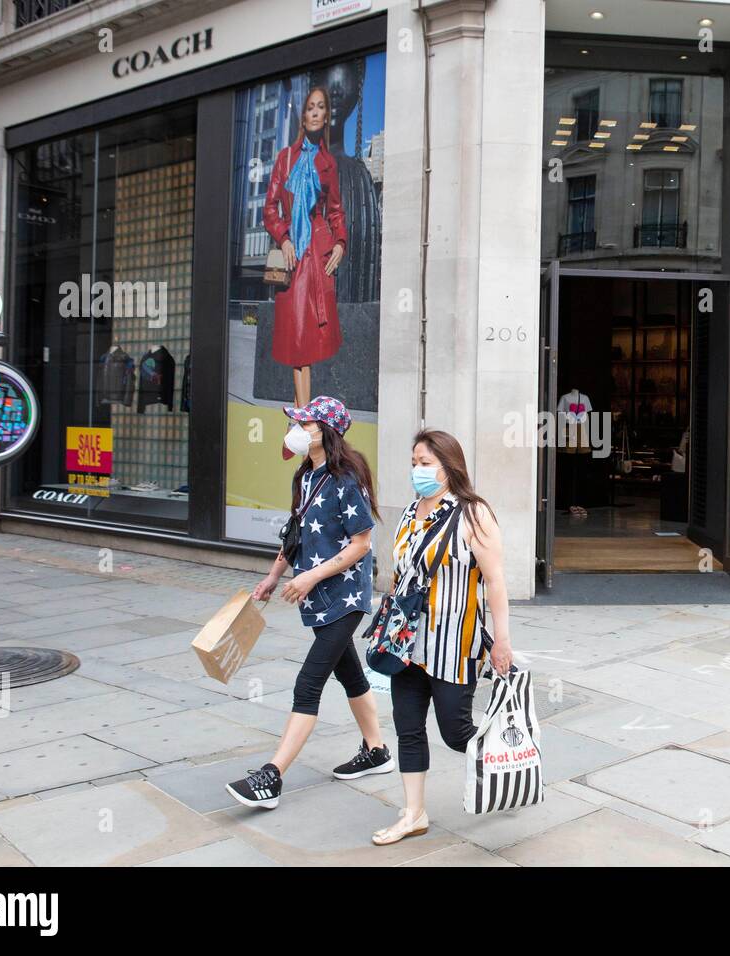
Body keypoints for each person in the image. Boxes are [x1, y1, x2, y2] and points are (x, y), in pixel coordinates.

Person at [226, 396, 391, 810]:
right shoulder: (305, 476)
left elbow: (361, 544)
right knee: (352, 676)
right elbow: (294, 532)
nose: (296, 429)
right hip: (315, 595)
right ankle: (378, 751)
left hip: (345, 595)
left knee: (308, 683)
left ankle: (272, 777)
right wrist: (273, 576)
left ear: (326, 432)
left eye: (304, 423)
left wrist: (311, 576)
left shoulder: (347, 479)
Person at [371, 430, 514, 845]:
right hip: (406, 642)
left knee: (455, 731)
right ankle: (413, 812)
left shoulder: (474, 514)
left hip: (454, 641)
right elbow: (400, 575)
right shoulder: (410, 512)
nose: (418, 470)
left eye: (426, 463)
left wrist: (501, 641)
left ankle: (508, 762)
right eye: (414, 462)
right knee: (408, 727)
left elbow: (496, 582)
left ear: (449, 467)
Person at [263, 85, 348, 413]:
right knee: (297, 340)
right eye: (310, 107)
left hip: (318, 253)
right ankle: (302, 414)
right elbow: (270, 208)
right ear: (304, 116)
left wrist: (340, 242)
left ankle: (303, 415)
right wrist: (284, 237)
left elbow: (336, 210)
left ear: (326, 116)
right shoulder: (285, 158)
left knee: (309, 341)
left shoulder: (329, 163)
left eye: (320, 107)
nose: (314, 113)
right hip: (292, 255)